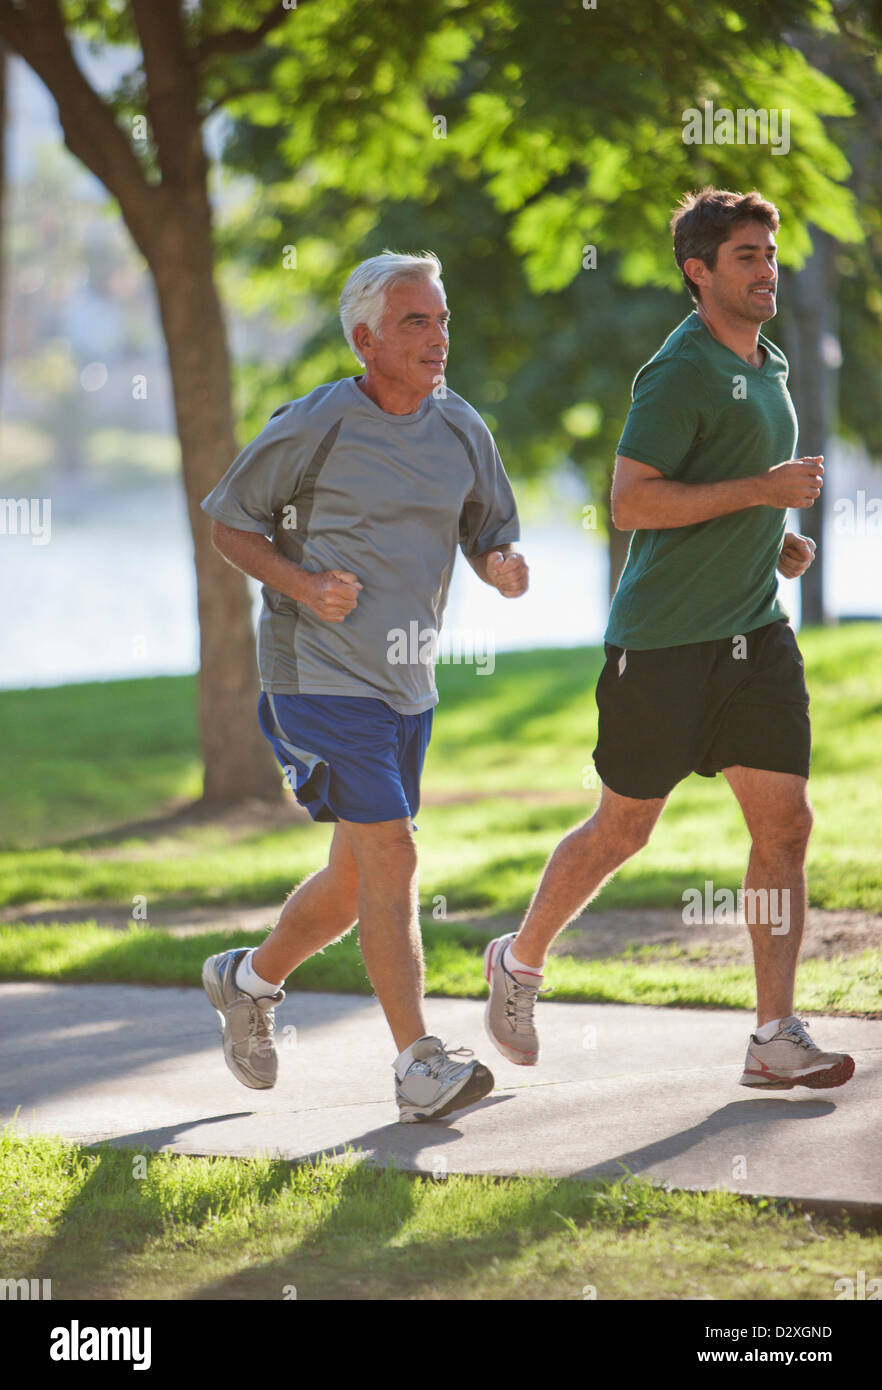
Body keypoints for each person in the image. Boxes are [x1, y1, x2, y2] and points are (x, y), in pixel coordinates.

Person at [484, 187, 854, 1093]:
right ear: (699, 271)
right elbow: (632, 500)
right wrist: (763, 495)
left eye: (770, 255)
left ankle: (773, 1034)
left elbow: (734, 489)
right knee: (622, 830)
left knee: (786, 827)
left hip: (756, 639)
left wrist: (776, 537)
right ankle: (520, 959)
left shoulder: (767, 364)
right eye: (746, 258)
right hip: (663, 645)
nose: (766, 272)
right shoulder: (678, 370)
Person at [200, 250, 528, 1122]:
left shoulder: (462, 427)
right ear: (366, 339)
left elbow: (488, 527)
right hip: (316, 677)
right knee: (394, 855)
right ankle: (419, 1066)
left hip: (406, 684)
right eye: (415, 322)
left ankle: (248, 978)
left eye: (442, 319)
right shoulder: (315, 424)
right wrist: (304, 585)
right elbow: (230, 522)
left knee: (355, 884)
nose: (438, 337)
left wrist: (500, 563)